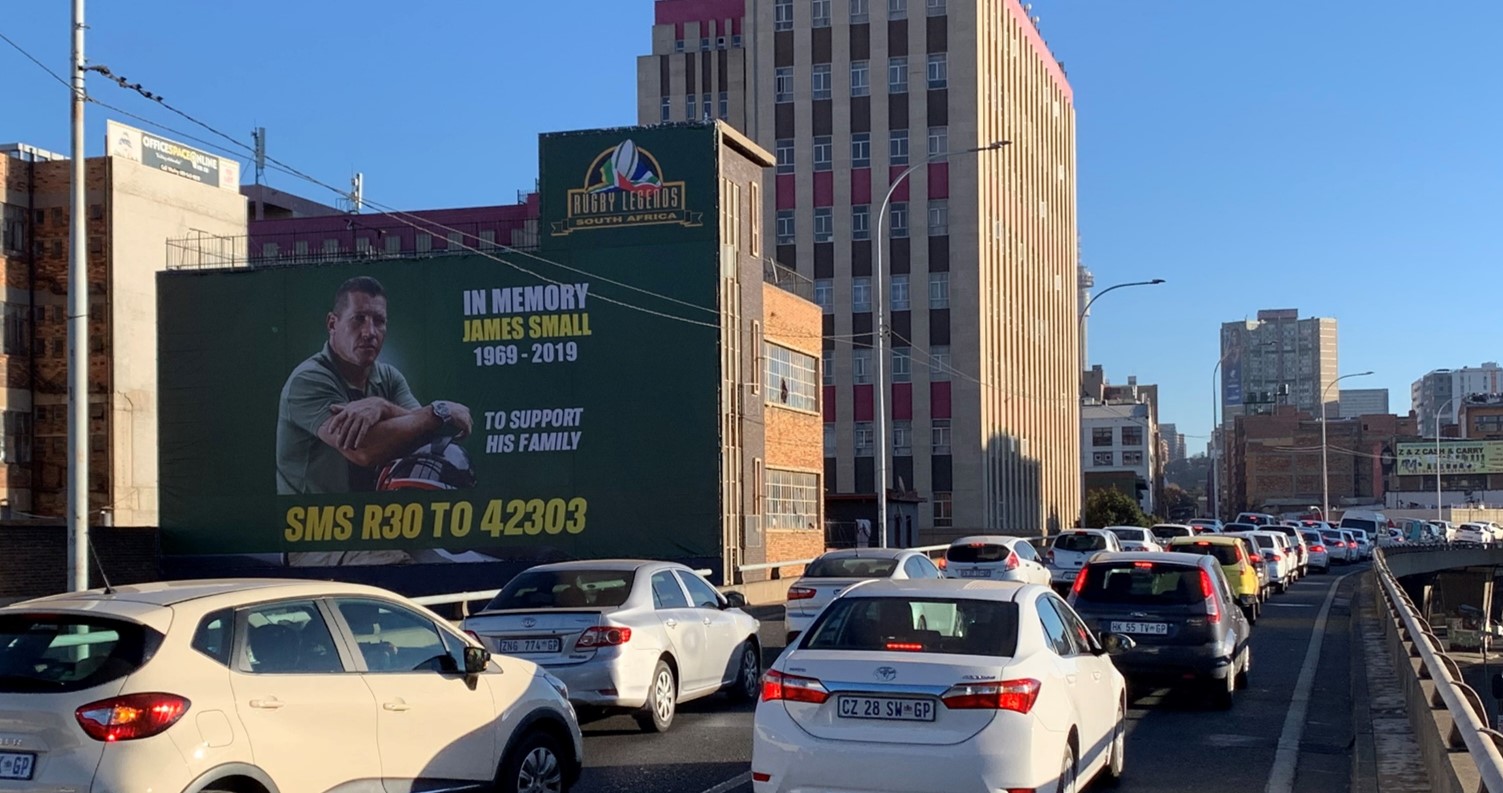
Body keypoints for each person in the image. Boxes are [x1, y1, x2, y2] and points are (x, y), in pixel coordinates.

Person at [275, 275, 474, 566]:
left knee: (457, 568)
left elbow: (426, 434)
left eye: (378, 321)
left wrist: (382, 407)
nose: (370, 331)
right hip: (317, 539)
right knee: (401, 570)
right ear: (332, 324)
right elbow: (363, 450)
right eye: (358, 319)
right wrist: (438, 411)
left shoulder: (388, 378)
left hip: (377, 529)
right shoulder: (309, 380)